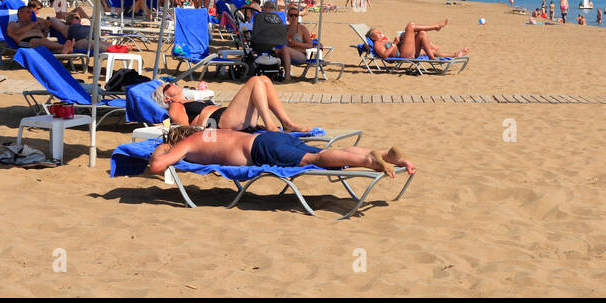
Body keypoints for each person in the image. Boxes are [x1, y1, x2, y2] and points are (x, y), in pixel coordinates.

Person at [148, 124, 414, 178]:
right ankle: (386, 154)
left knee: (317, 159)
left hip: (261, 149)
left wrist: (161, 149)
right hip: (271, 137)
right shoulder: (210, 132)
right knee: (327, 150)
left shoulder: (188, 144)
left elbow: (157, 167)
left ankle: (369, 160)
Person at [155, 75, 308, 132]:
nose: (172, 84)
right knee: (255, 81)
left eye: (171, 82)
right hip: (219, 123)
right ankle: (270, 125)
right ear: (166, 98)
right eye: (167, 86)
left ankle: (286, 123)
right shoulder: (175, 106)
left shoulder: (191, 99)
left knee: (264, 80)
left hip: (228, 117)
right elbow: (186, 129)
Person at [365, 20, 468, 60]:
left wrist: (398, 41)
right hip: (404, 54)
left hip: (405, 50)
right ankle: (435, 27)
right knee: (410, 26)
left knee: (422, 34)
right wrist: (394, 43)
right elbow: (384, 55)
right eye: (377, 33)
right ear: (372, 37)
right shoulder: (377, 44)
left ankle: (455, 54)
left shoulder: (382, 40)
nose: (379, 33)